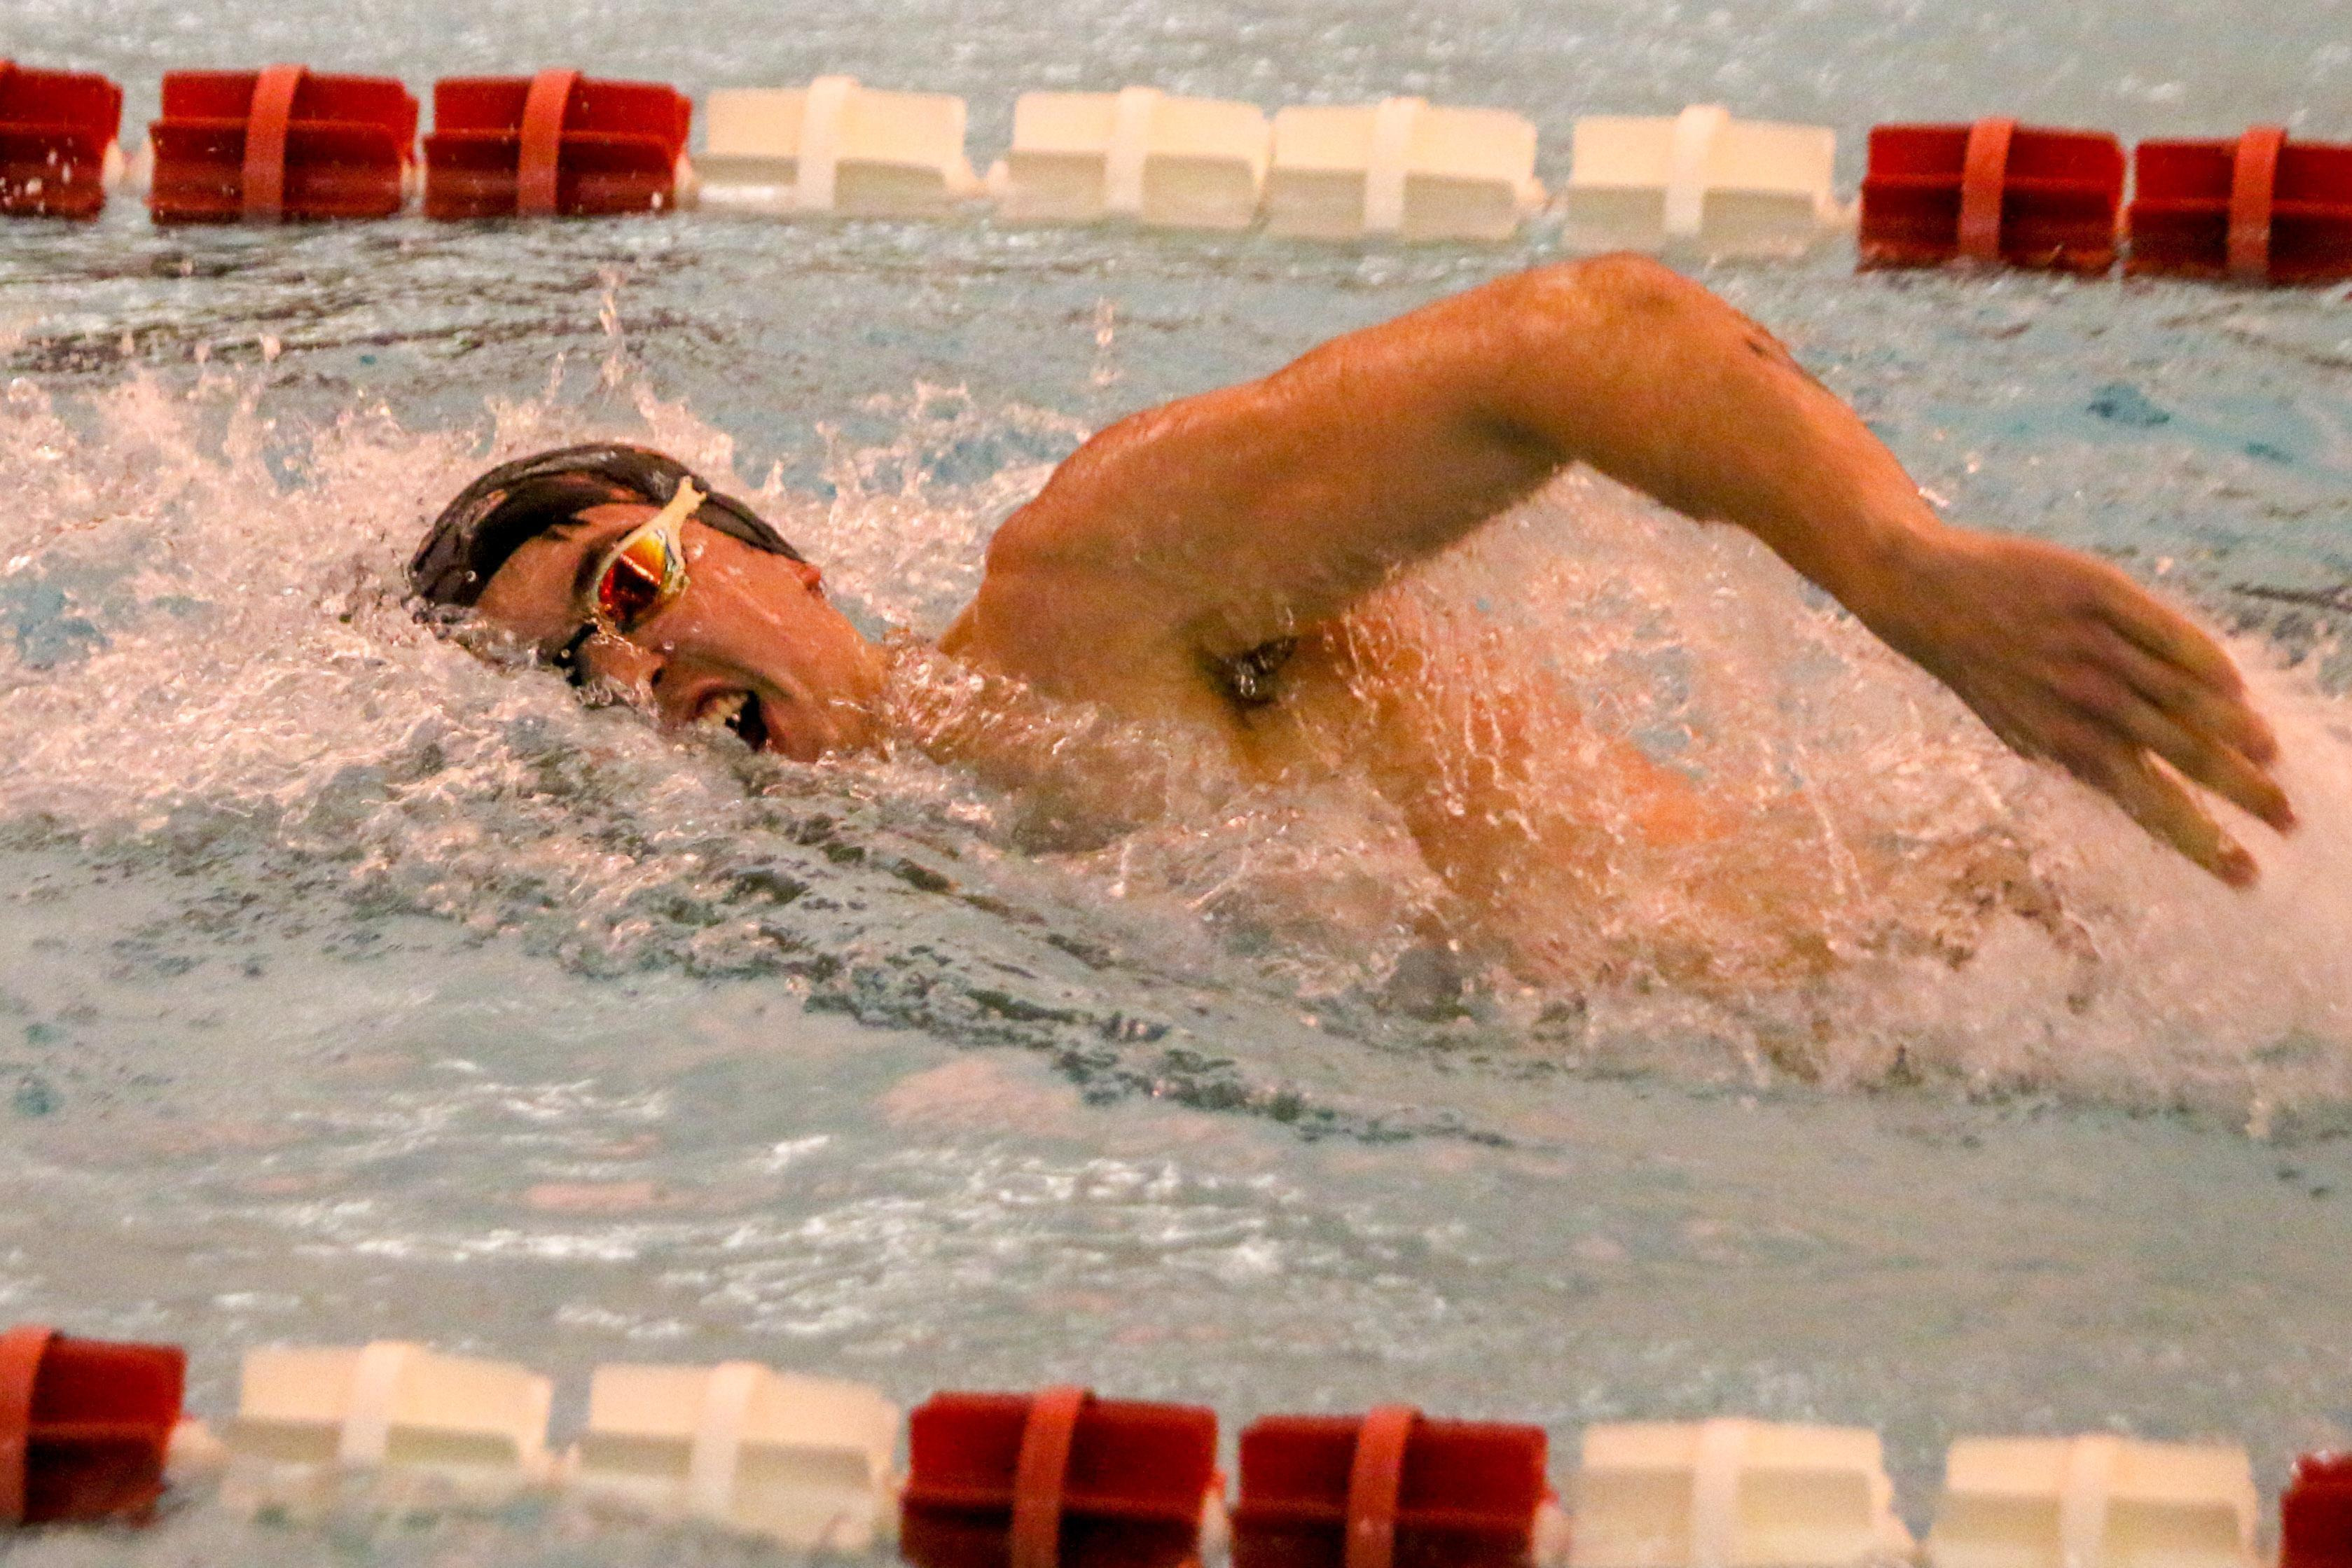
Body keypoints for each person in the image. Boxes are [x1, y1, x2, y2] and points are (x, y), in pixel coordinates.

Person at [410, 256, 2295, 982]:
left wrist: (1907, 574)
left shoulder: (1081, 599)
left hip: (2121, 919)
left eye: (628, 590)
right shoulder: (912, 884)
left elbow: (1584, 337)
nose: (639, 675)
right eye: (580, 685)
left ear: (779, 557)